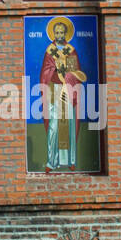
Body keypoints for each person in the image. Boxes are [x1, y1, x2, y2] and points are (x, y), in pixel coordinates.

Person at [40, 20, 86, 170]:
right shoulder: (50, 51)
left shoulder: (70, 50)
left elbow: (74, 74)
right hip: (53, 91)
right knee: (53, 127)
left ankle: (70, 160)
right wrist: (54, 71)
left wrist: (65, 74)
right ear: (54, 34)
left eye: (61, 32)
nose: (59, 35)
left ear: (66, 33)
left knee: (69, 125)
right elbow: (45, 72)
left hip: (67, 90)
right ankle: (51, 161)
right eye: (57, 32)